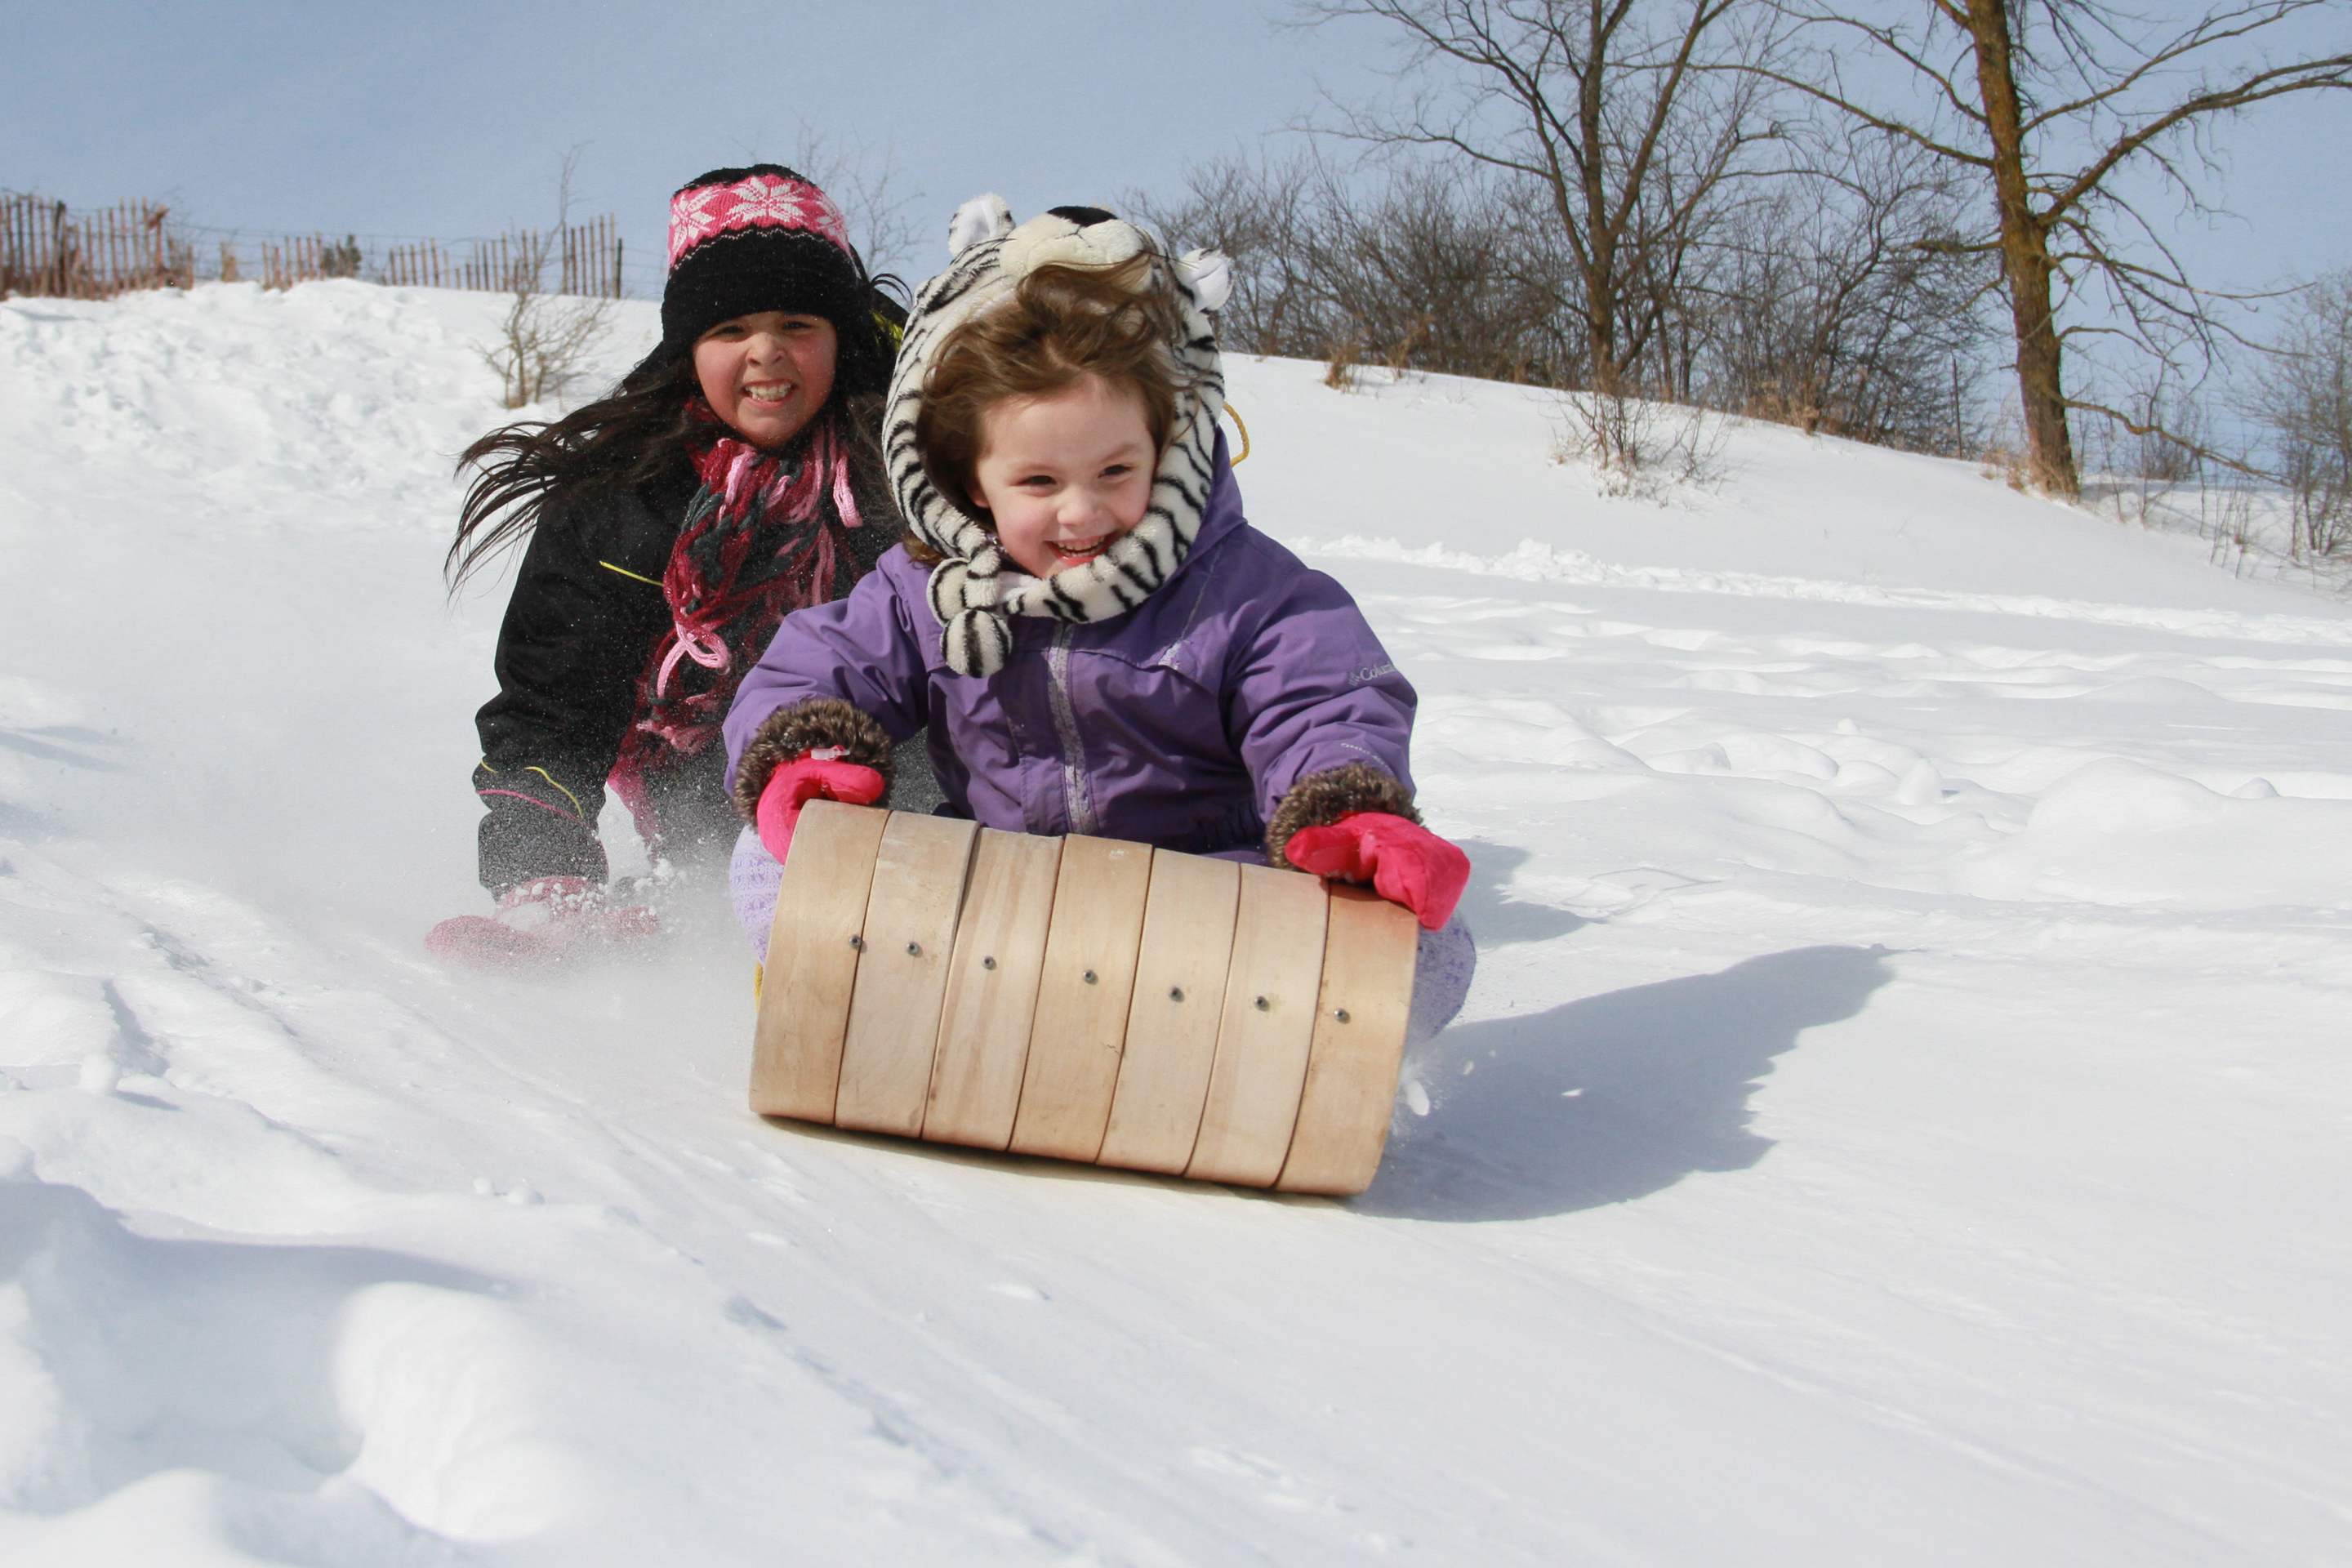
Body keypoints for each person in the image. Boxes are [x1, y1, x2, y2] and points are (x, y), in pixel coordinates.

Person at [721, 198, 1474, 1040]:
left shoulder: (1243, 591)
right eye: (1039, 483)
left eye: (1116, 471)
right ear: (973, 482)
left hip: (1209, 914)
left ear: (1168, 448)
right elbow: (819, 664)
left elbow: (1322, 700)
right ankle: (853, 1004)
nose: (1082, 515)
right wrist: (804, 757)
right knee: (767, 860)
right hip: (996, 902)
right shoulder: (929, 592)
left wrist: (1344, 810)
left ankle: (1274, 1055)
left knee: (1434, 948)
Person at [429, 164, 915, 967]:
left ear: (842, 335)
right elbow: (553, 707)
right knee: (718, 866)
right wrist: (542, 871)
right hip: (708, 790)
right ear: (689, 349)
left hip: (911, 795)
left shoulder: (911, 474)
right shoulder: (621, 500)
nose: (766, 354)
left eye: (797, 323)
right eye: (729, 330)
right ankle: (690, 909)